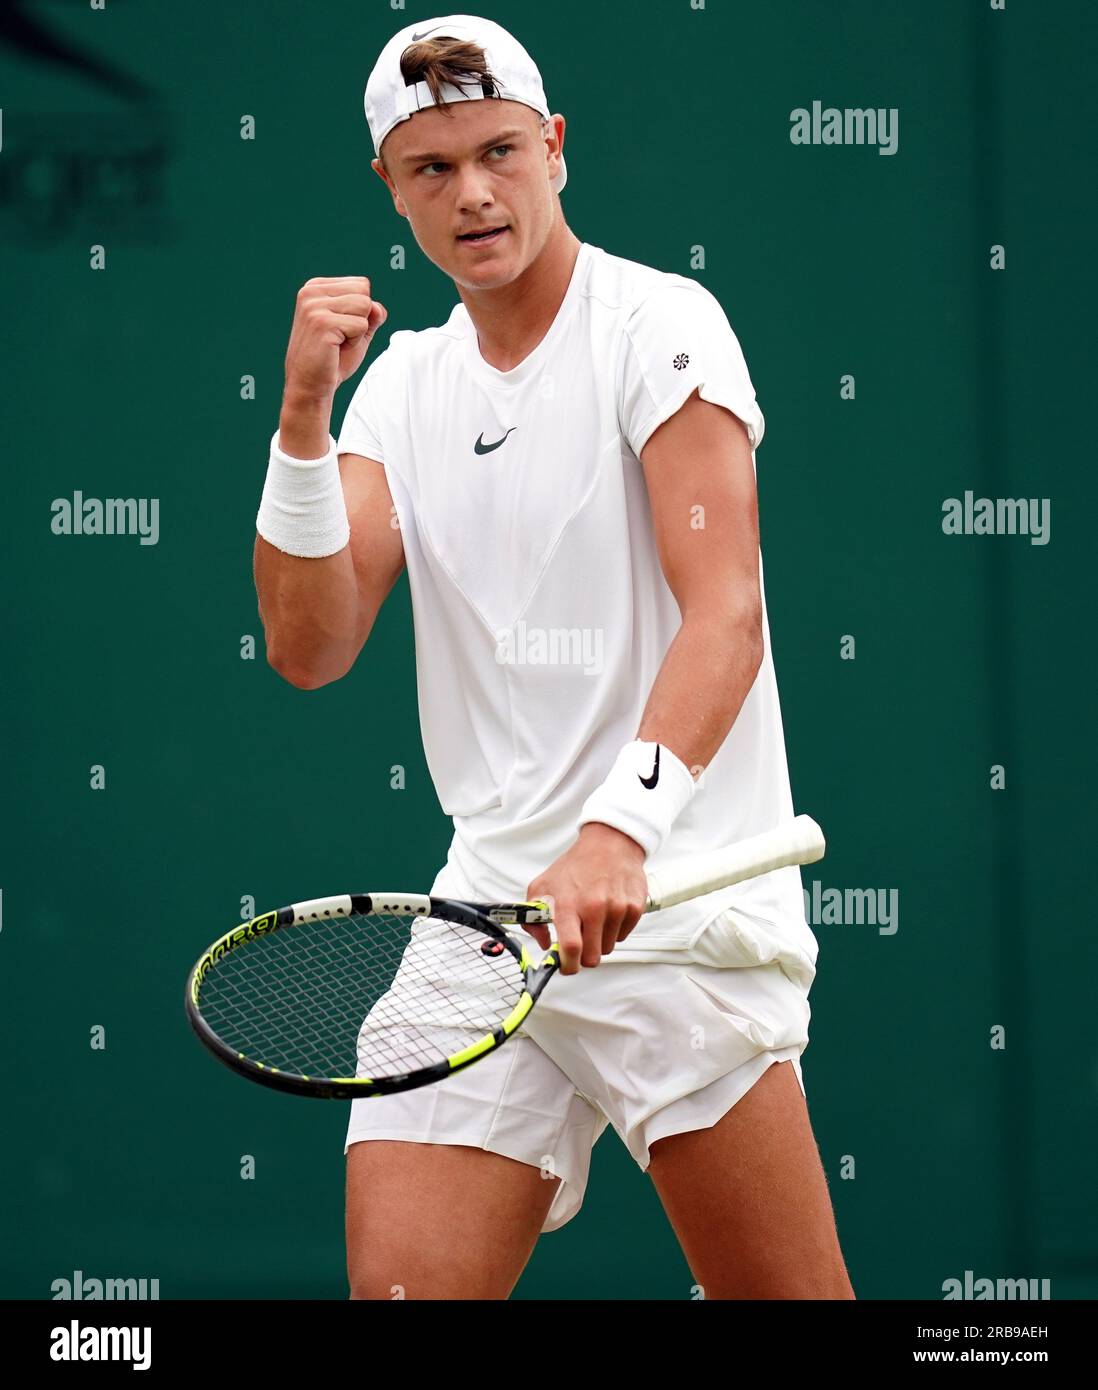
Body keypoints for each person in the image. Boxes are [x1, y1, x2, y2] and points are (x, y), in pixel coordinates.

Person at [253, 14, 854, 1301]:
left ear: (555, 148)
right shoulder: (400, 386)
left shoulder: (661, 326)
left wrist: (620, 833)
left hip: (678, 908)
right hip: (486, 919)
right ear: (391, 189)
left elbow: (727, 615)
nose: (472, 193)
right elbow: (310, 647)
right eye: (431, 168)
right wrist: (302, 420)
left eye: (499, 152)